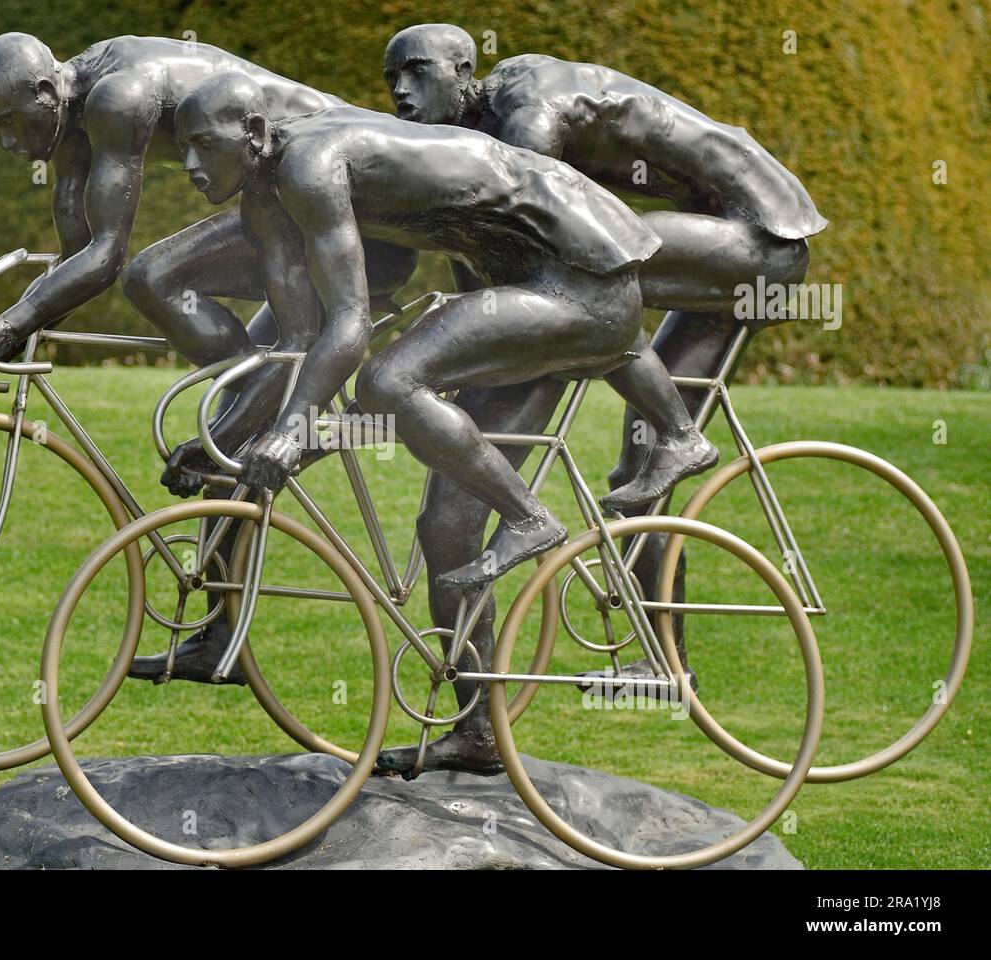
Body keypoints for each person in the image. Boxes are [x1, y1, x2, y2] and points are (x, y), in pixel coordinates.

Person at [170, 72, 721, 767]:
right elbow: (297, 346)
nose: (188, 165)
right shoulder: (266, 194)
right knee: (447, 526)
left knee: (390, 379)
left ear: (252, 135)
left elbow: (350, 325)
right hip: (525, 286)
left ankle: (528, 518)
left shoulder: (310, 165)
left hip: (586, 286)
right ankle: (479, 734)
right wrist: (223, 442)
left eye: (200, 145)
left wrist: (297, 424)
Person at [378, 24, 828, 770]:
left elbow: (552, 254)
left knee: (601, 276)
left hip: (758, 242)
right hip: (685, 249)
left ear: (465, 71)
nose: (399, 92)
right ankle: (488, 727)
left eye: (417, 73)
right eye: (391, 77)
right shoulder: (480, 137)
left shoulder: (529, 116)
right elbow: (496, 253)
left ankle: (676, 442)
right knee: (504, 504)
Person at [0, 33, 417, 683]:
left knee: (152, 275)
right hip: (290, 208)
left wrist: (11, 322)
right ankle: (221, 633)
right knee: (226, 416)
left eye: (7, 123)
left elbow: (109, 257)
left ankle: (263, 393)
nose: (6, 143)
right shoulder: (70, 126)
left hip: (340, 195)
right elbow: (77, 265)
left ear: (46, 93)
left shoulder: (117, 97)